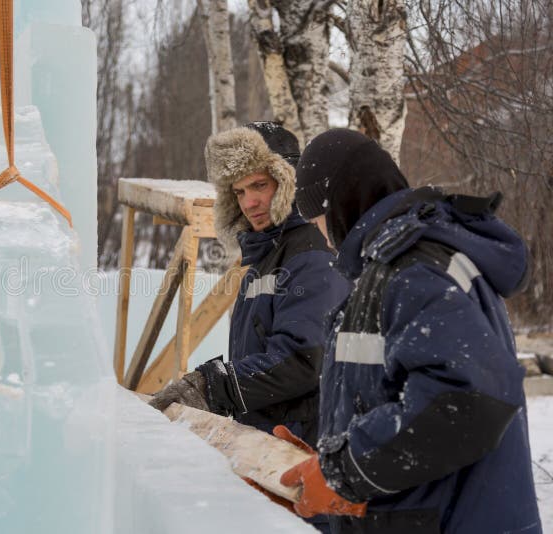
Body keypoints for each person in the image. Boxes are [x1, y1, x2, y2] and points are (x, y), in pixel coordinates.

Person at [278, 128, 542, 533]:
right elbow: (387, 401)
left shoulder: (413, 269)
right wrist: (325, 462)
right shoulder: (393, 267)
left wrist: (340, 470)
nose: (326, 240)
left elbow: (466, 398)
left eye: (320, 221)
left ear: (343, 204)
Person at [150, 121, 349, 449]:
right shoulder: (266, 255)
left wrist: (214, 386)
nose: (249, 203)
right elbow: (261, 350)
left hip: (304, 450)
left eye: (259, 185)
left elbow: (303, 359)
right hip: (270, 441)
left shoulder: (311, 252)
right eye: (239, 191)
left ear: (288, 182)